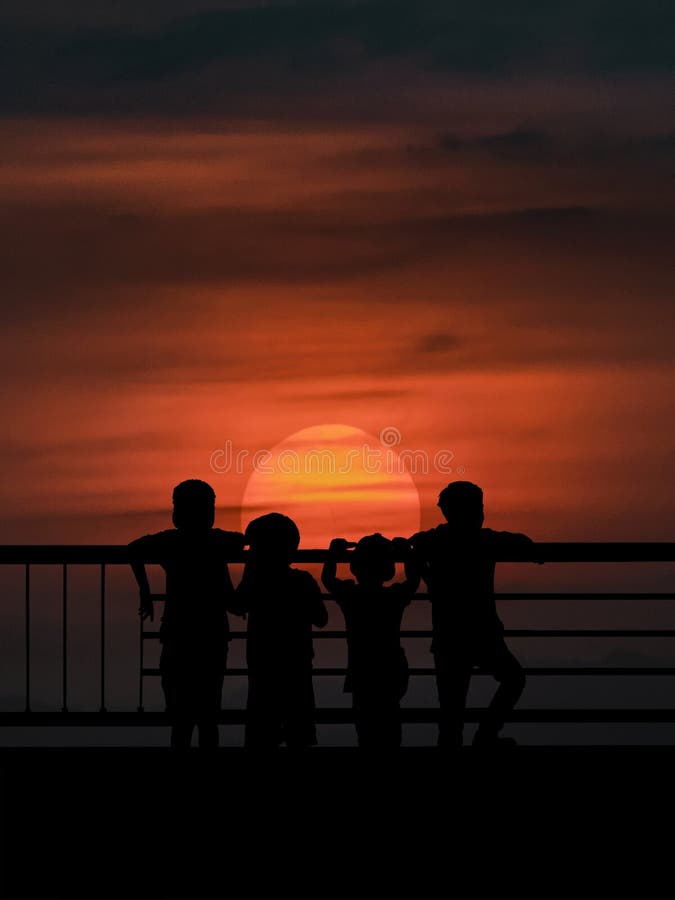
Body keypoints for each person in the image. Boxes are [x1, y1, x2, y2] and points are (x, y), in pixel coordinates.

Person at [411, 481, 543, 749]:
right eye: (478, 508)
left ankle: (467, 745)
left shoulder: (433, 541)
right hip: (483, 633)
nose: (481, 514)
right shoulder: (484, 541)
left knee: (451, 714)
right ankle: (486, 735)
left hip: (449, 636)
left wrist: (428, 576)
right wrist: (533, 550)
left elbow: (415, 546)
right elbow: (518, 541)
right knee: (513, 679)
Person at [128, 479, 245, 749]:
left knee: (181, 720)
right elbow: (245, 540)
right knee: (208, 717)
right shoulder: (218, 541)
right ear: (210, 512)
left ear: (178, 512)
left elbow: (134, 550)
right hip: (212, 636)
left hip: (177, 635)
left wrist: (145, 590)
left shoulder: (170, 542)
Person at [232, 513, 328, 748]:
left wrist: (248, 571)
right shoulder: (303, 580)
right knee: (300, 736)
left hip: (263, 668)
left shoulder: (256, 583)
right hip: (297, 667)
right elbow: (321, 619)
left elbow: (237, 605)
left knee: (261, 738)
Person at [322, 533, 420, 748]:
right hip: (391, 669)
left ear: (356, 567)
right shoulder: (393, 597)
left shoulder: (350, 596)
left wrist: (333, 554)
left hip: (362, 670)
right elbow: (413, 580)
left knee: (365, 729)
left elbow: (327, 579)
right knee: (391, 724)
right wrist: (407, 553)